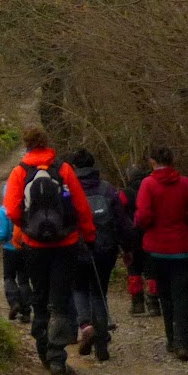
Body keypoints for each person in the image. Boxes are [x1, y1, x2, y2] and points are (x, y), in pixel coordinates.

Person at [3, 125, 96, 375]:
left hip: (34, 247)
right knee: (60, 302)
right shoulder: (64, 170)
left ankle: (43, 349)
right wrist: (88, 236)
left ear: (26, 144)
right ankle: (57, 358)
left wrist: (27, 229)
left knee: (39, 298)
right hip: (65, 244)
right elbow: (81, 207)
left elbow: (10, 210)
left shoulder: (20, 172)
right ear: (47, 143)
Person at [133, 145, 188, 361]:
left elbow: (144, 215)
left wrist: (143, 225)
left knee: (165, 295)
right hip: (182, 248)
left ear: (153, 162)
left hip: (157, 248)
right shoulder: (186, 184)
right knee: (182, 295)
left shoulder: (148, 184)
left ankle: (171, 339)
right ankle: (184, 341)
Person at [67, 148, 131, 362]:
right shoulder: (107, 189)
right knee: (99, 292)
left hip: (76, 248)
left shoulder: (69, 190)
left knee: (78, 288)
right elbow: (122, 222)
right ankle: (102, 341)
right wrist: (127, 248)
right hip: (105, 249)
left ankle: (85, 325)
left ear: (74, 167)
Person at [121, 163, 158, 315]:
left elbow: (119, 213)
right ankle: (154, 303)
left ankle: (137, 303)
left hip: (132, 236)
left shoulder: (125, 193)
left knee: (133, 270)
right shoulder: (150, 188)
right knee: (151, 271)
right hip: (150, 233)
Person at [0, 203, 33, 323]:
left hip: (9, 250)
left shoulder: (4, 210)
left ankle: (14, 302)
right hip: (25, 248)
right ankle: (26, 311)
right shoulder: (25, 206)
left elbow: (3, 234)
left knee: (9, 277)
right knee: (24, 280)